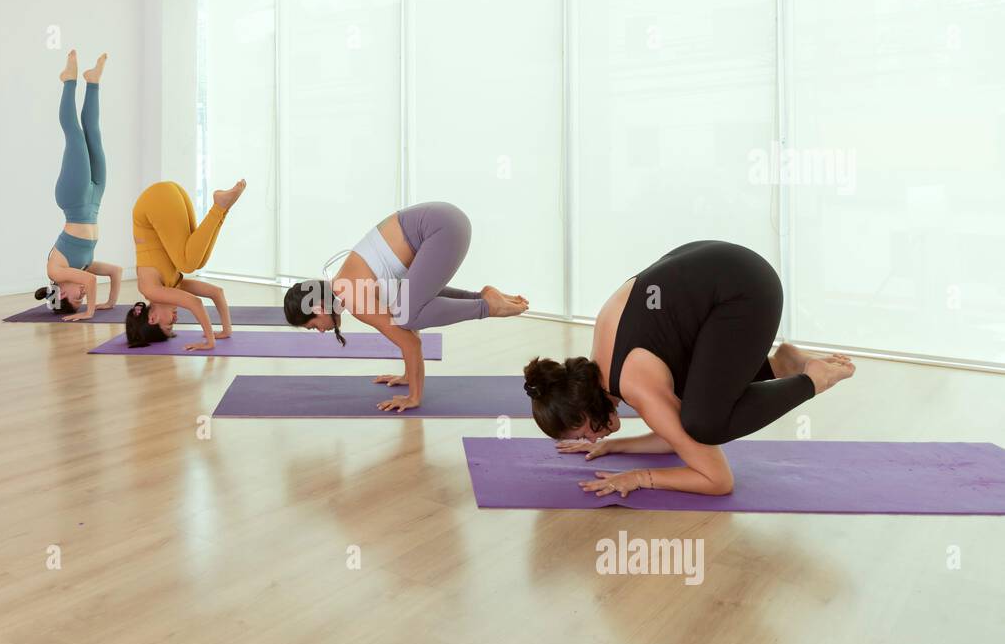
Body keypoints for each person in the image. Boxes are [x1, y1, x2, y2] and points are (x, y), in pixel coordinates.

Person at [524, 240, 854, 497]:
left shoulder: (637, 385)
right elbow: (673, 435)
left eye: (584, 433)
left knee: (705, 424)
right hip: (725, 268)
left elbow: (716, 479)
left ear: (583, 408)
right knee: (687, 401)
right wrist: (611, 446)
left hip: (746, 291)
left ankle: (813, 379)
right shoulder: (603, 362)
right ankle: (780, 363)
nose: (591, 438)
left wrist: (641, 478)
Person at [284, 202, 527, 411]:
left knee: (406, 315)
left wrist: (414, 397)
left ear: (317, 309)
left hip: (442, 228)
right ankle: (483, 297)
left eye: (312, 326)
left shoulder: (353, 297)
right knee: (408, 307)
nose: (319, 331)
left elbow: (410, 341)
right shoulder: (345, 282)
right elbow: (413, 310)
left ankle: (488, 307)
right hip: (446, 221)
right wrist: (408, 376)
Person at [35, 50, 122, 321]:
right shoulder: (83, 265)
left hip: (73, 199)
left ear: (60, 294)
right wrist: (110, 302)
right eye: (84, 299)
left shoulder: (57, 272)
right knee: (93, 133)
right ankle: (92, 81)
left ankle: (68, 80)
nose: (83, 293)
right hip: (94, 199)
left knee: (74, 133)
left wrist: (90, 312)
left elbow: (93, 281)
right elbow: (116, 272)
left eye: (77, 298)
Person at [124, 179, 246, 349]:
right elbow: (216, 292)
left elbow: (195, 303)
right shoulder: (171, 285)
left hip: (156, 200)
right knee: (199, 261)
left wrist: (209, 342)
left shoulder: (150, 289)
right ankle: (221, 208)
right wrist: (226, 330)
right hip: (170, 195)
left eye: (169, 325)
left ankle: (219, 207)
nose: (175, 320)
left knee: (187, 264)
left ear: (152, 319)